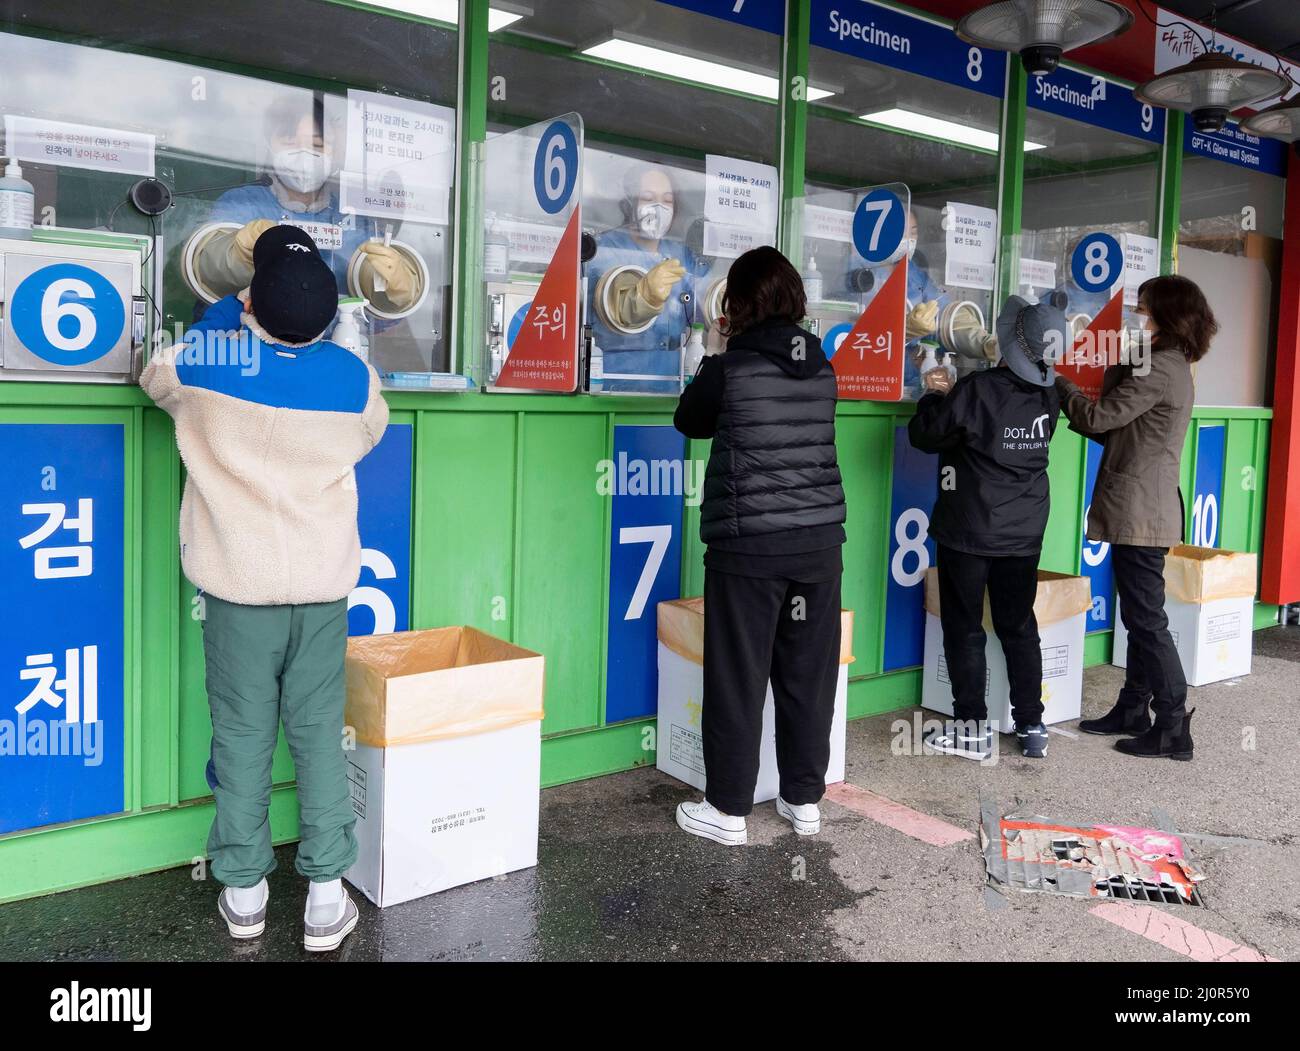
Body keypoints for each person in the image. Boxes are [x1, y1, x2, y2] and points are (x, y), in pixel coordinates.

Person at [141, 225, 389, 950]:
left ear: (251, 298)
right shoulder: (353, 378)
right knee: (318, 737)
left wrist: (228, 310)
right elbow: (371, 427)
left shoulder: (205, 364)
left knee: (243, 737)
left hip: (238, 593)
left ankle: (245, 893)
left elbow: (154, 374)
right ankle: (324, 899)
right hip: (321, 592)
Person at [671, 245, 846, 845]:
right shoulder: (821, 366)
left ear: (738, 305)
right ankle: (804, 799)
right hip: (818, 547)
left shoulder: (731, 368)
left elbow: (689, 420)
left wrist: (714, 352)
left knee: (738, 677)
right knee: (808, 676)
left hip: (750, 548)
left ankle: (727, 810)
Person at [1056, 274, 1214, 761]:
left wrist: (1058, 382)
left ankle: (1173, 726)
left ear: (1167, 314)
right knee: (1139, 617)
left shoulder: (1160, 367)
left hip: (1142, 510)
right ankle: (1132, 708)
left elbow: (1098, 418)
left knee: (1147, 621)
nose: (1136, 316)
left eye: (1143, 308)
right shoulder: (1164, 362)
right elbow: (1116, 431)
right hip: (1145, 507)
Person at [907, 294, 1066, 760]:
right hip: (1025, 530)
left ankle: (971, 728)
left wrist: (933, 391)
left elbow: (927, 435)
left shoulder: (977, 389)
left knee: (965, 627)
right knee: (1019, 625)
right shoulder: (1050, 393)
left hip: (970, 529)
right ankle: (1032, 724)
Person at [189, 95, 418, 316]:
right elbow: (208, 269)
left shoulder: (354, 219)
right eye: (290, 142)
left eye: (317, 145)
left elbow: (374, 288)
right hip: (253, 340)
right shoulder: (243, 204)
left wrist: (395, 282)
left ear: (335, 154)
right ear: (269, 146)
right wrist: (238, 253)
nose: (305, 154)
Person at [587, 165, 698, 393]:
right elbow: (611, 307)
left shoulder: (680, 255)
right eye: (648, 198)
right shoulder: (604, 250)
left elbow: (701, 308)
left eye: (667, 201)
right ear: (629, 205)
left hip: (673, 387)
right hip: (614, 385)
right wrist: (643, 297)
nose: (659, 208)